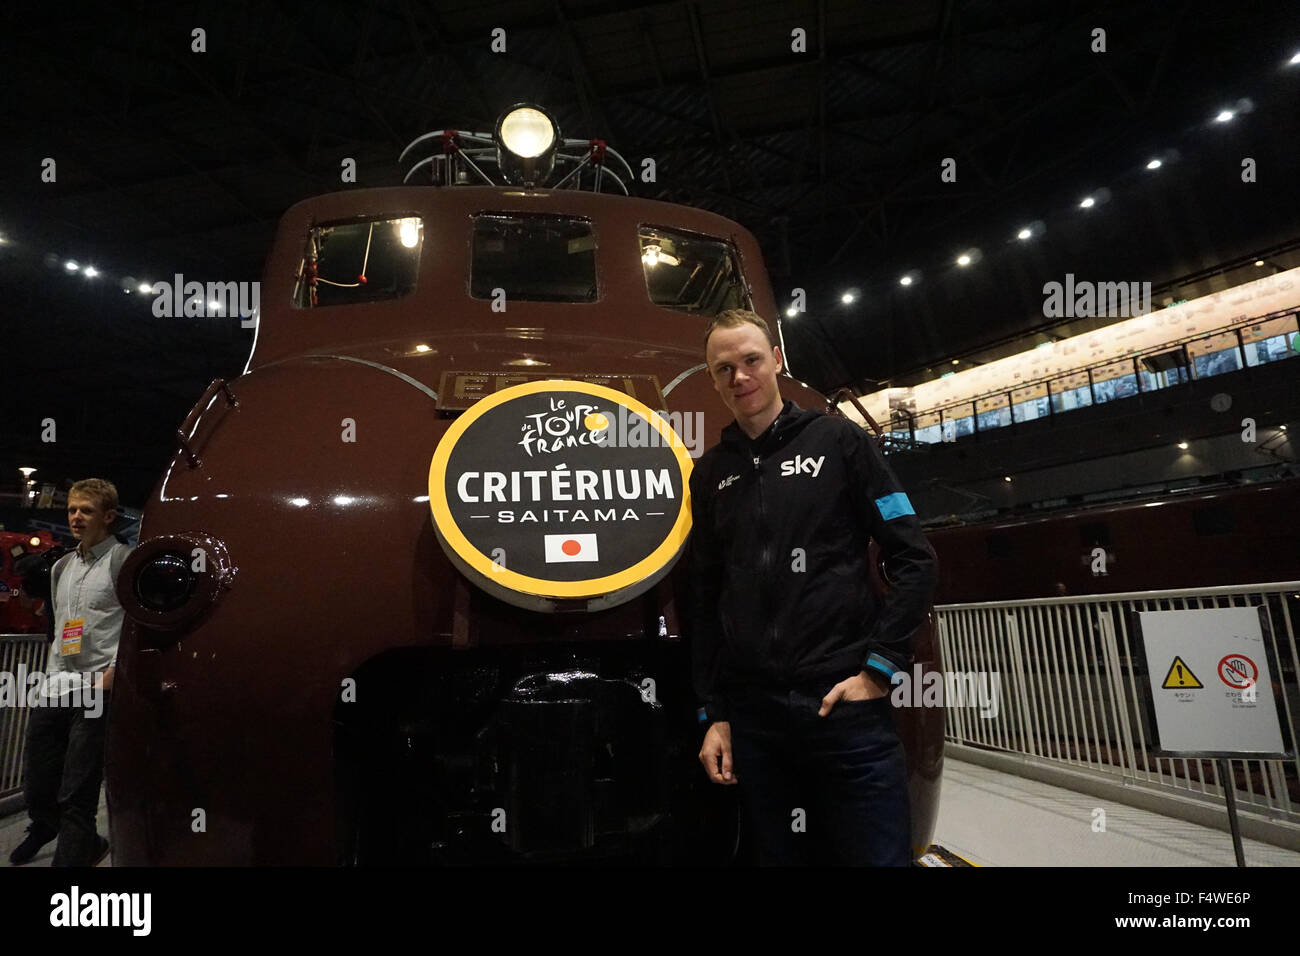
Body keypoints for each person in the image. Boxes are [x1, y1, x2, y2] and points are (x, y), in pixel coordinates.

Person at [689, 309, 936, 866]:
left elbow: (914, 557)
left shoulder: (840, 442)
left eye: (751, 360)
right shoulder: (710, 476)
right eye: (723, 368)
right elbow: (705, 599)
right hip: (756, 723)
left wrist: (879, 669)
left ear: (776, 360)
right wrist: (715, 713)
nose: (740, 377)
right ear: (712, 378)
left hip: (844, 710)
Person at [9, 479, 131, 866]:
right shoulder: (61, 566)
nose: (76, 517)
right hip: (55, 686)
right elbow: (61, 628)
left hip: (96, 687)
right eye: (72, 510)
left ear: (108, 516)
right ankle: (82, 842)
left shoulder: (123, 561)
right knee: (38, 788)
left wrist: (110, 676)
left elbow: (135, 624)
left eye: (86, 510)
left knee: (77, 795)